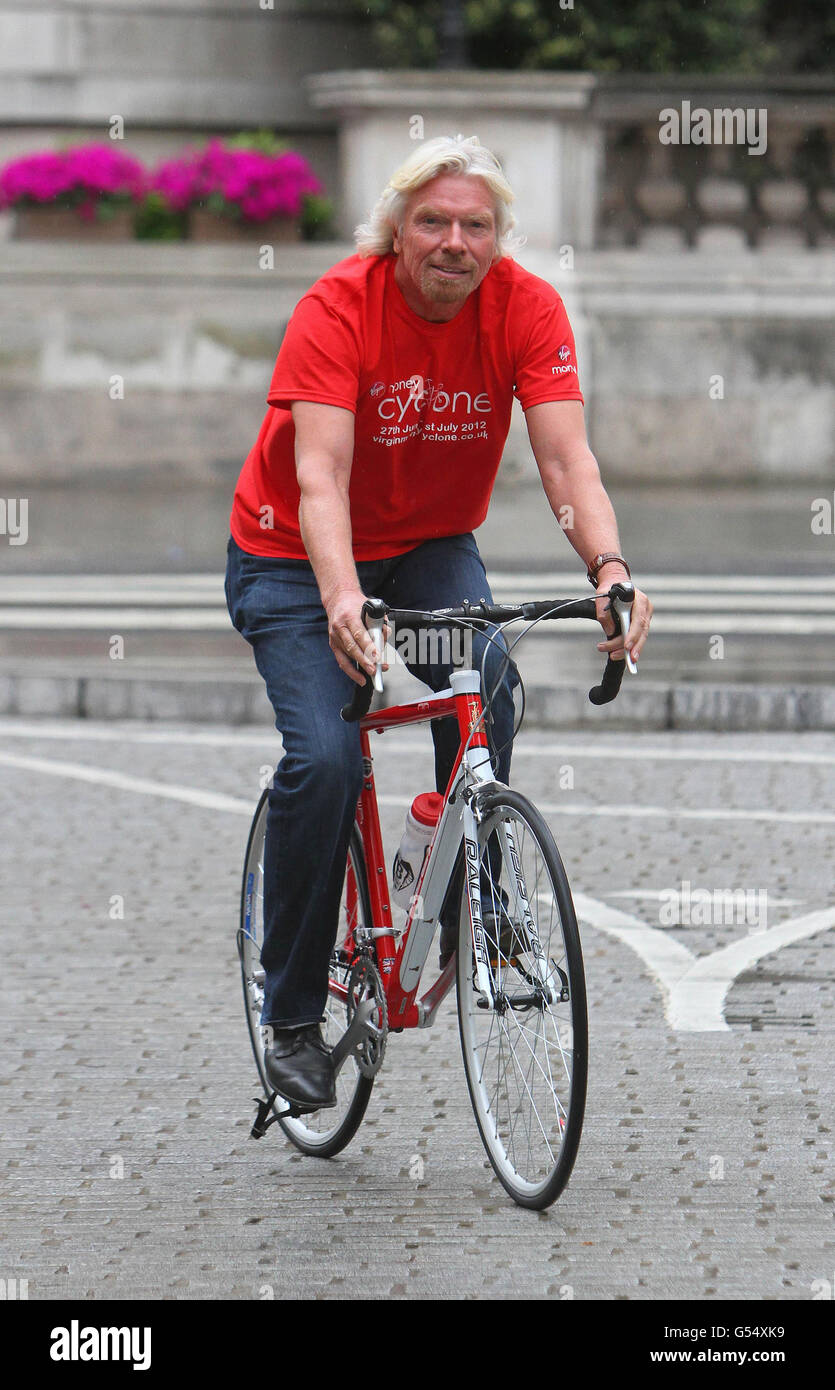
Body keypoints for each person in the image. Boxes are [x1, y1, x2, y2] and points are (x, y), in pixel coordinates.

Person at [225, 135, 653, 1113]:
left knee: (487, 678)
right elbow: (318, 476)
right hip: (293, 558)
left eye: (475, 225)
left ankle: (477, 897)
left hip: (425, 548)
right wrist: (340, 599)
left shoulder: (525, 308)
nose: (454, 241)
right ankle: (292, 1016)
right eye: (432, 222)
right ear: (396, 232)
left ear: (499, 238)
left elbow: (564, 464)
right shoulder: (339, 306)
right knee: (327, 762)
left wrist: (610, 570)